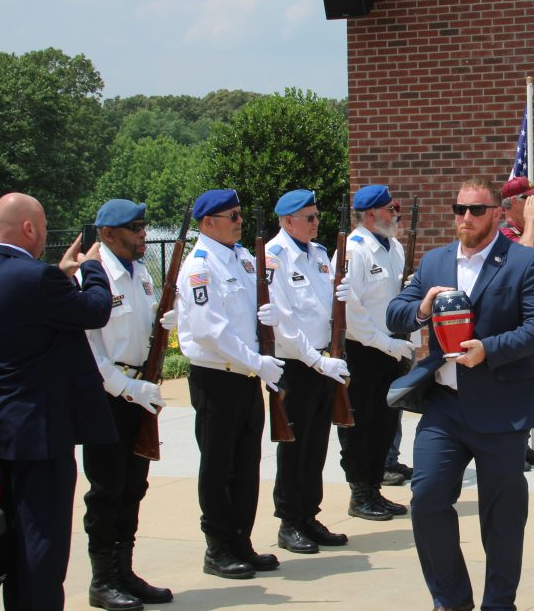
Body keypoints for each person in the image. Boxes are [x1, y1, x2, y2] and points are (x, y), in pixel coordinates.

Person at [386, 177, 534, 611]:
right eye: (459, 209)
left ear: (498, 215)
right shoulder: (435, 261)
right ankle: (449, 598)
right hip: (444, 405)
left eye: (476, 210)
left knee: (501, 513)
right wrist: (421, 307)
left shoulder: (525, 262)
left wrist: (490, 348)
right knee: (426, 498)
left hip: (501, 407)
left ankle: (499, 606)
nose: (465, 218)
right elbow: (395, 314)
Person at [0, 192, 112, 611]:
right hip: (44, 430)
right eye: (44, 224)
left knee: (24, 540)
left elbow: (31, 313)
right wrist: (91, 267)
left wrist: (61, 273)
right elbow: (93, 311)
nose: (47, 233)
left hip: (9, 427)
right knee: (44, 543)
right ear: (29, 229)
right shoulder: (37, 277)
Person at [177, 189, 284, 579]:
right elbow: (210, 331)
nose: (239, 221)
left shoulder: (239, 257)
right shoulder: (200, 267)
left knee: (246, 465)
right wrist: (258, 360)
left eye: (239, 215)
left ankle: (241, 540)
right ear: (208, 223)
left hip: (245, 377)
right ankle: (218, 547)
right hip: (217, 378)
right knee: (218, 467)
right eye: (233, 216)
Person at [81, 199, 172, 611]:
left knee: (134, 486)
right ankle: (103, 580)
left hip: (139, 390)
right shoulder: (92, 276)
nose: (142, 233)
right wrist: (124, 388)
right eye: (135, 227)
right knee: (106, 491)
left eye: (143, 225)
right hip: (107, 396)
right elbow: (88, 350)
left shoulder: (139, 273)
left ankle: (125, 571)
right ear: (106, 234)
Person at [261, 190, 352, 553]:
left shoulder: (317, 254)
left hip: (322, 361)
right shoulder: (273, 257)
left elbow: (323, 310)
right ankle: (289, 521)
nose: (317, 222)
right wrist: (316, 361)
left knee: (316, 445)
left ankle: (309, 515)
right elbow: (282, 320)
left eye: (317, 216)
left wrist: (342, 295)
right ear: (288, 221)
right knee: (294, 446)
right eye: (310, 217)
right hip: (298, 365)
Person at [341, 184, 415, 520]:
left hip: (392, 348)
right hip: (364, 350)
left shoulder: (395, 247)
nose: (395, 213)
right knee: (361, 426)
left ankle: (375, 489)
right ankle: (360, 494)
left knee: (385, 424)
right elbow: (350, 313)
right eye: (390, 209)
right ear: (371, 215)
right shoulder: (354, 251)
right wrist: (387, 344)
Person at [499, 174, 534, 469]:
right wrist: (531, 222)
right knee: (515, 389)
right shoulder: (504, 233)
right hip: (511, 325)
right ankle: (513, 450)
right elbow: (522, 259)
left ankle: (523, 446)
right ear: (513, 204)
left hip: (528, 320)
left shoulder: (522, 230)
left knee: (530, 387)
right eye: (530, 198)